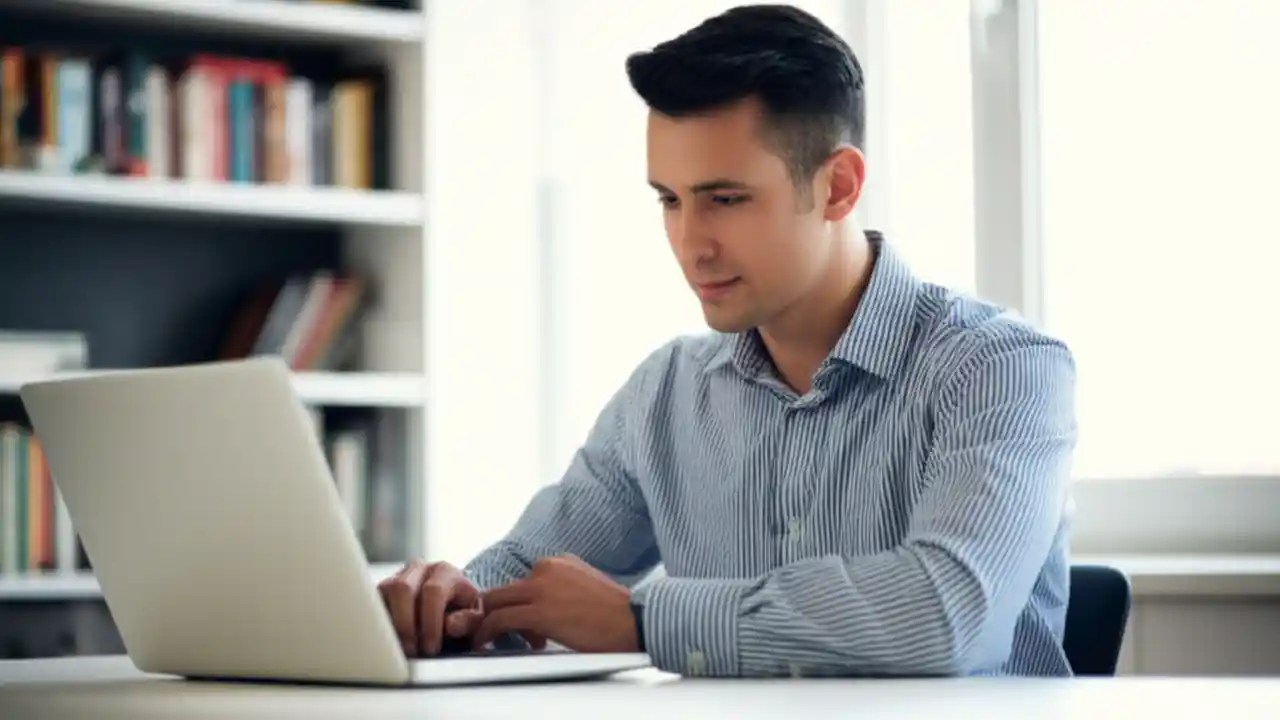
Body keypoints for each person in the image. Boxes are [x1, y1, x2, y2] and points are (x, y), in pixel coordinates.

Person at [378, 3, 1077, 677]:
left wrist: (646, 622)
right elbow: (525, 582)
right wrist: (446, 604)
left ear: (837, 186)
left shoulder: (1003, 369)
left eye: (725, 199)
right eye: (669, 200)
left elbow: (948, 613)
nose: (691, 246)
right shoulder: (666, 393)